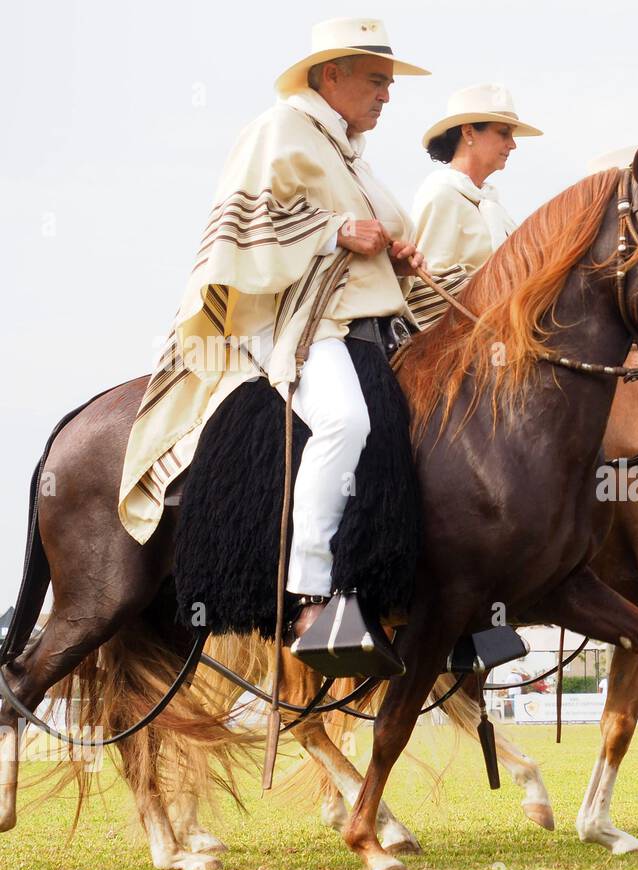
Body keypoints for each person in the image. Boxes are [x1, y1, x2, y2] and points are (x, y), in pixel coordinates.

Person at [117, 18, 429, 646]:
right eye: (377, 81)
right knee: (344, 421)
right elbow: (242, 227)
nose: (387, 95)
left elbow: (361, 231)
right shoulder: (278, 129)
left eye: (390, 83)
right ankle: (310, 596)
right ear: (330, 75)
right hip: (294, 324)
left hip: (362, 325)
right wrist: (335, 230)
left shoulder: (349, 154)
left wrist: (393, 256)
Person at [407, 83, 542, 329]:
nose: (512, 144)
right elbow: (424, 287)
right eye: (503, 133)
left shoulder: (493, 205)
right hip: (461, 352)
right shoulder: (441, 194)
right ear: (468, 133)